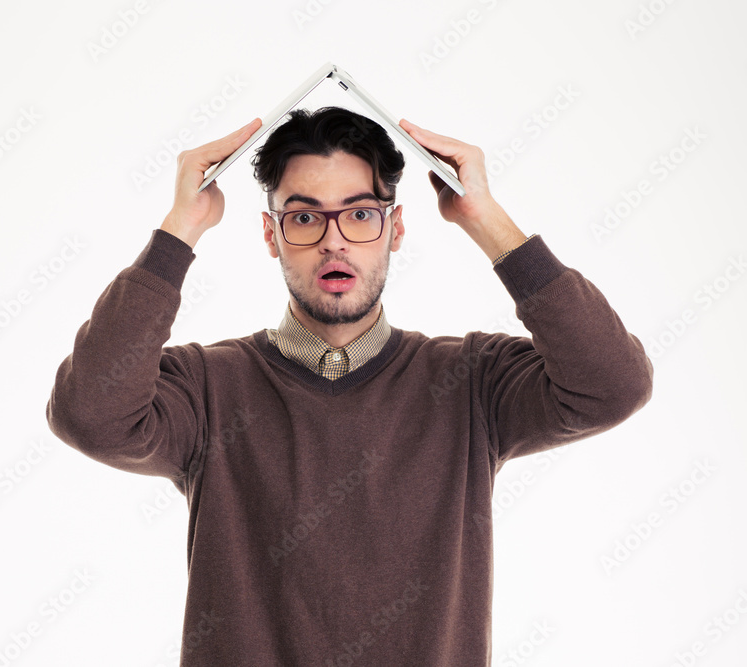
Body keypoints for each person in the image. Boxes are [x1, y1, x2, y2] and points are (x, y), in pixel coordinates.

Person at [45, 107, 653, 665]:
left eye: (361, 214)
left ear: (395, 230)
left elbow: (612, 385)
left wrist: (486, 218)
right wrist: (179, 231)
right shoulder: (207, 389)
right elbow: (89, 413)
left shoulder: (471, 383)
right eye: (304, 216)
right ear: (270, 234)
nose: (334, 240)